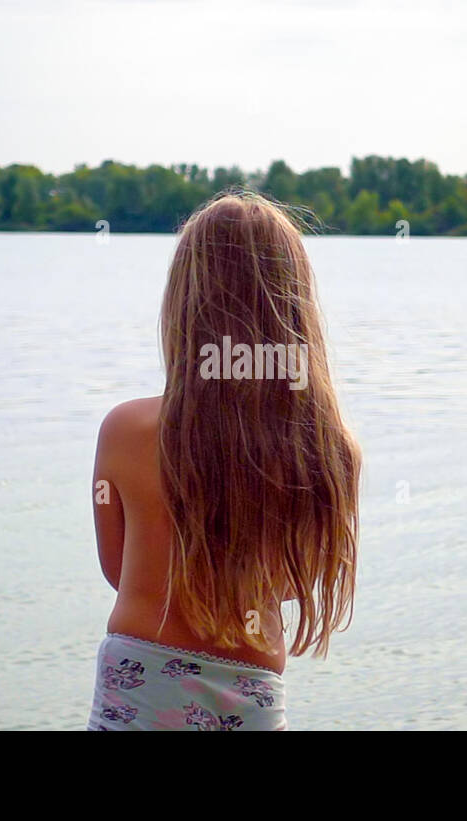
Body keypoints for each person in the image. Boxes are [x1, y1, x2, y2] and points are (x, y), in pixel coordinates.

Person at [87, 190, 362, 730]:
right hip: (251, 689)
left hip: (139, 683)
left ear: (184, 301)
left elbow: (119, 571)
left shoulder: (128, 429)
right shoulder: (327, 448)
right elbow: (288, 581)